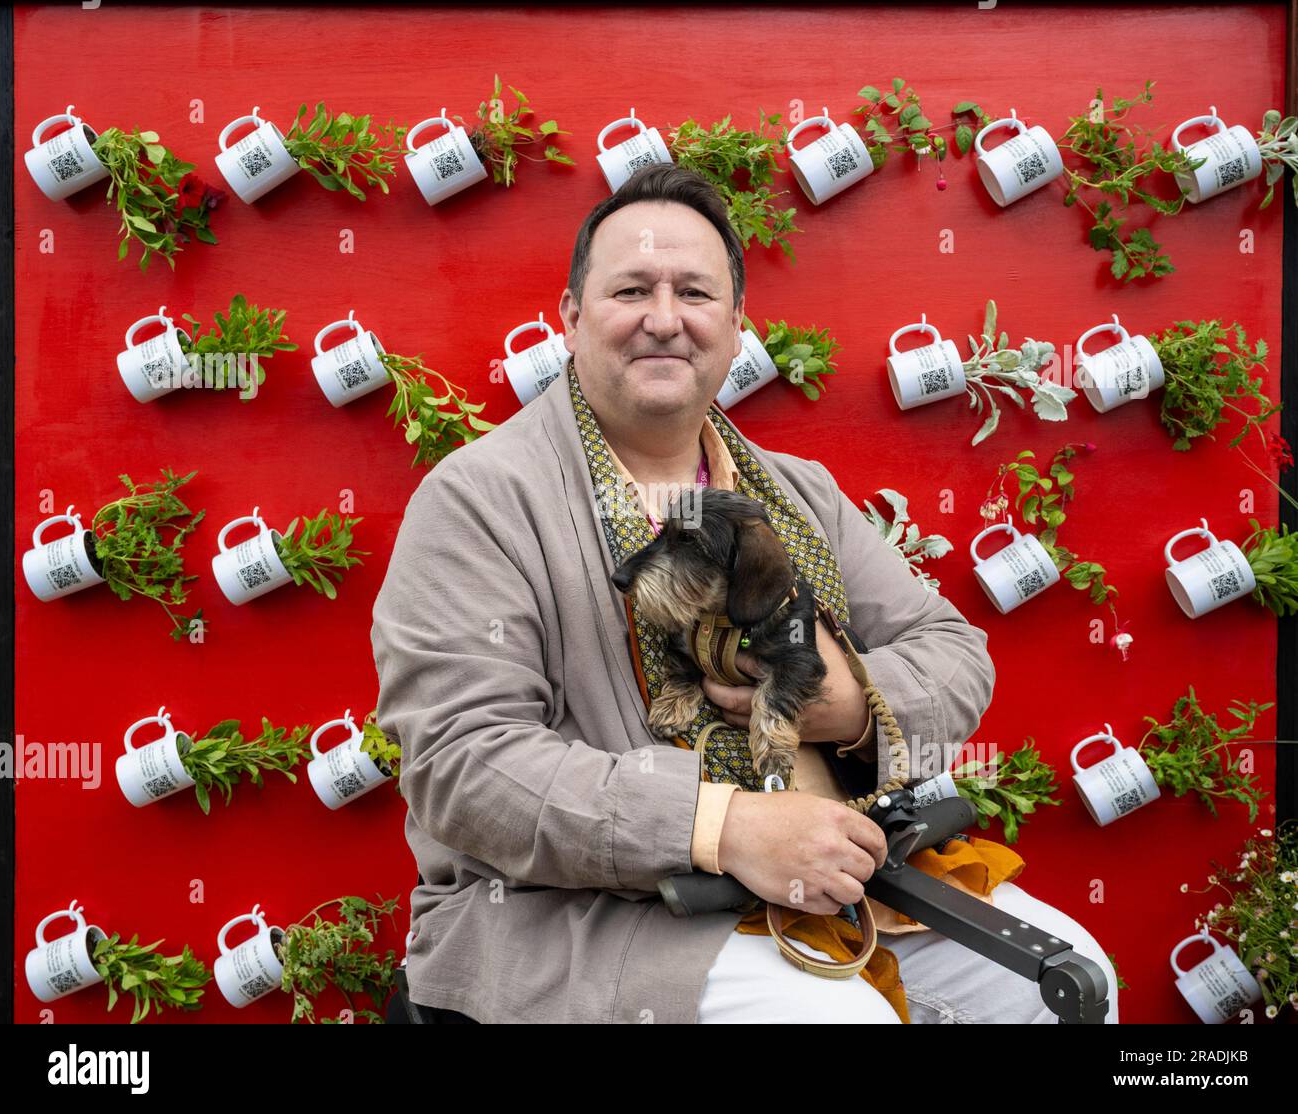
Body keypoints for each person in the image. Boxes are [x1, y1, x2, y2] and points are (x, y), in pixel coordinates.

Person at [370, 164, 1119, 1024]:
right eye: (629, 290)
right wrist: (720, 826)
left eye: (695, 291)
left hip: (837, 876)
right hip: (589, 914)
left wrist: (852, 706)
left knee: (1063, 990)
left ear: (735, 329)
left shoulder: (799, 493)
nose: (663, 318)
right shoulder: (480, 500)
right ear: (571, 318)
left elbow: (953, 651)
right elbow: (463, 766)